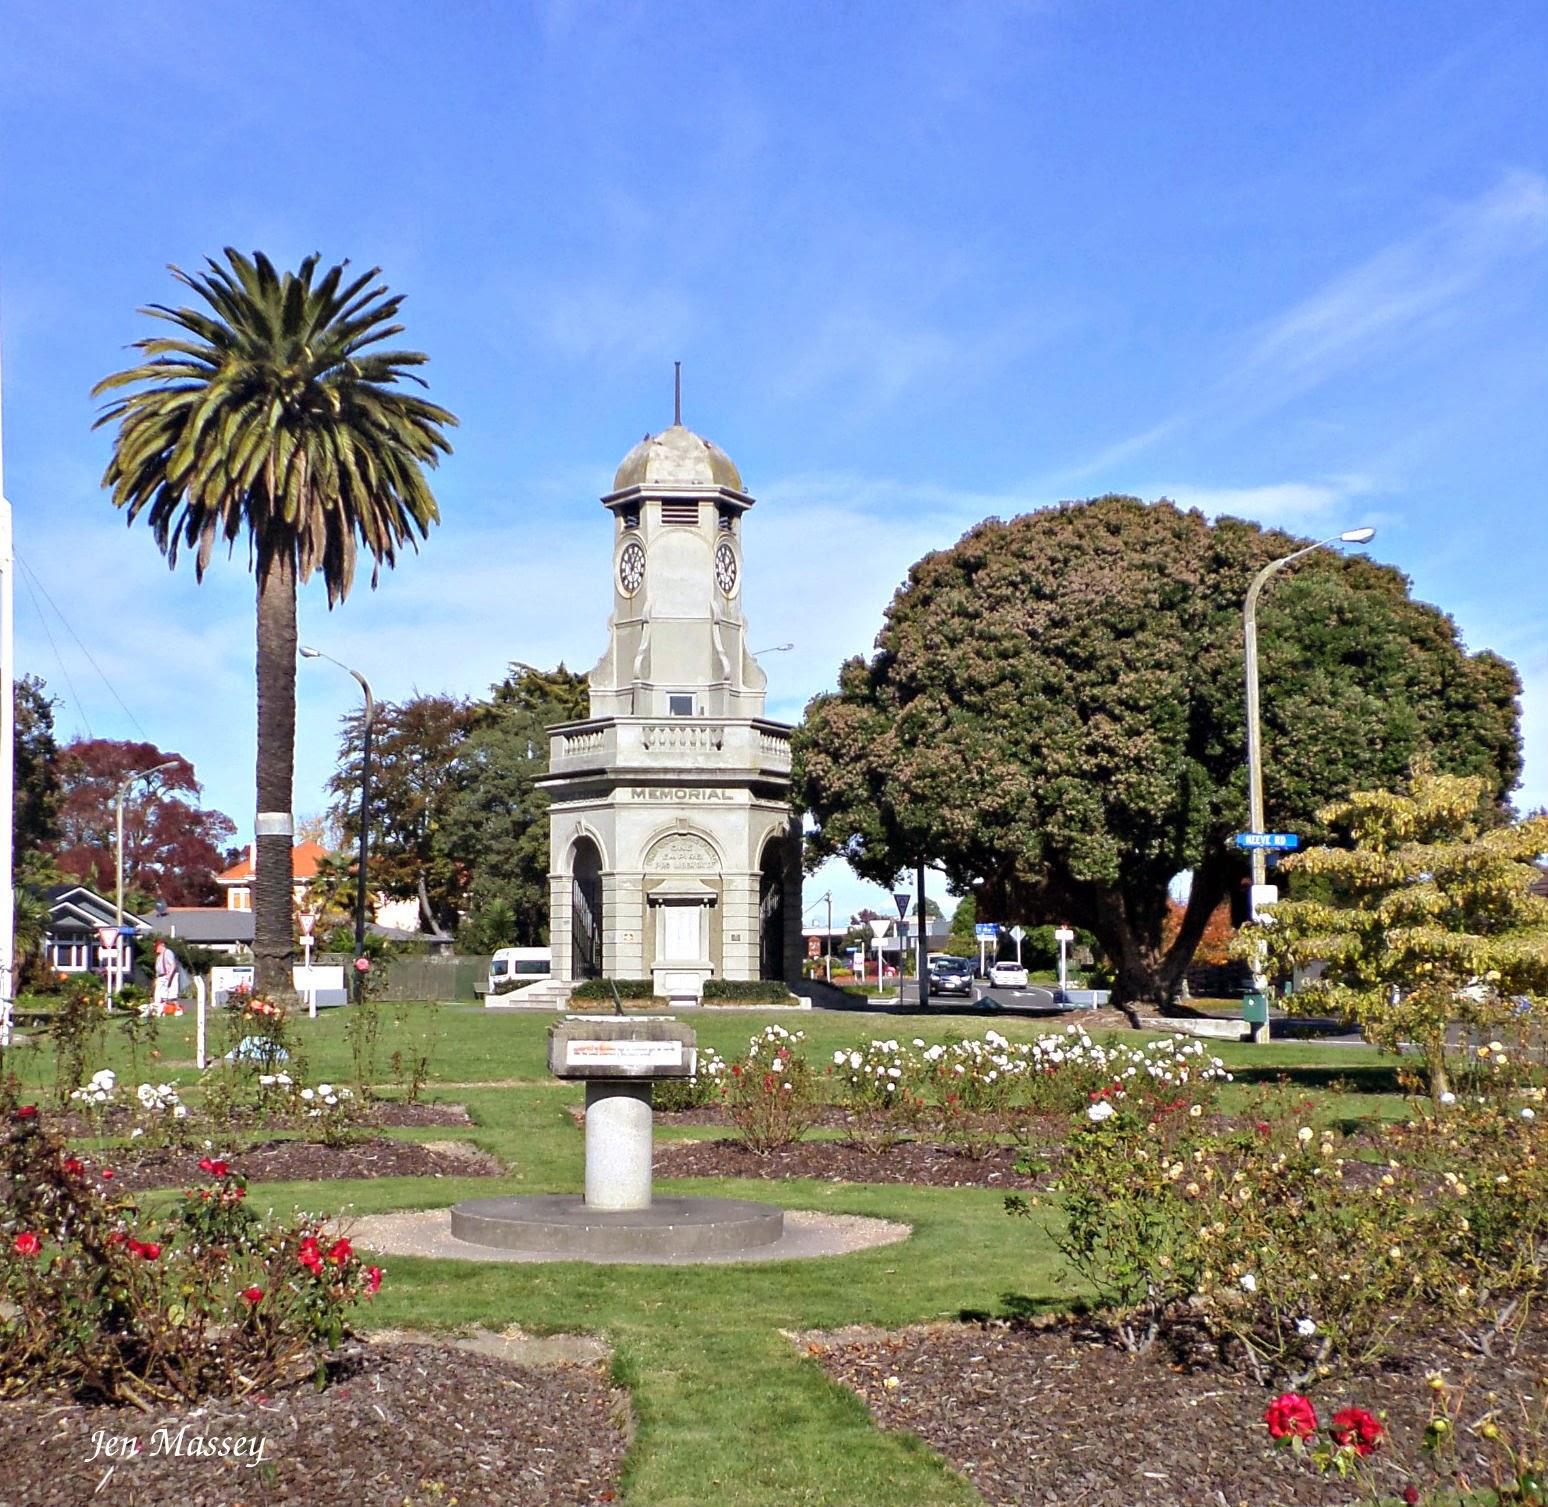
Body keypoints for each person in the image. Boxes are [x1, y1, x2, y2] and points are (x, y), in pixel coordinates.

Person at [152, 938, 181, 1016]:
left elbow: (173, 964)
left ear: (161, 946)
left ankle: (178, 1009)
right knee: (158, 995)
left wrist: (169, 976)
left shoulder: (167, 952)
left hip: (168, 975)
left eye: (157, 948)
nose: (156, 950)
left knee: (171, 994)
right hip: (161, 977)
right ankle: (159, 1011)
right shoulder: (159, 956)